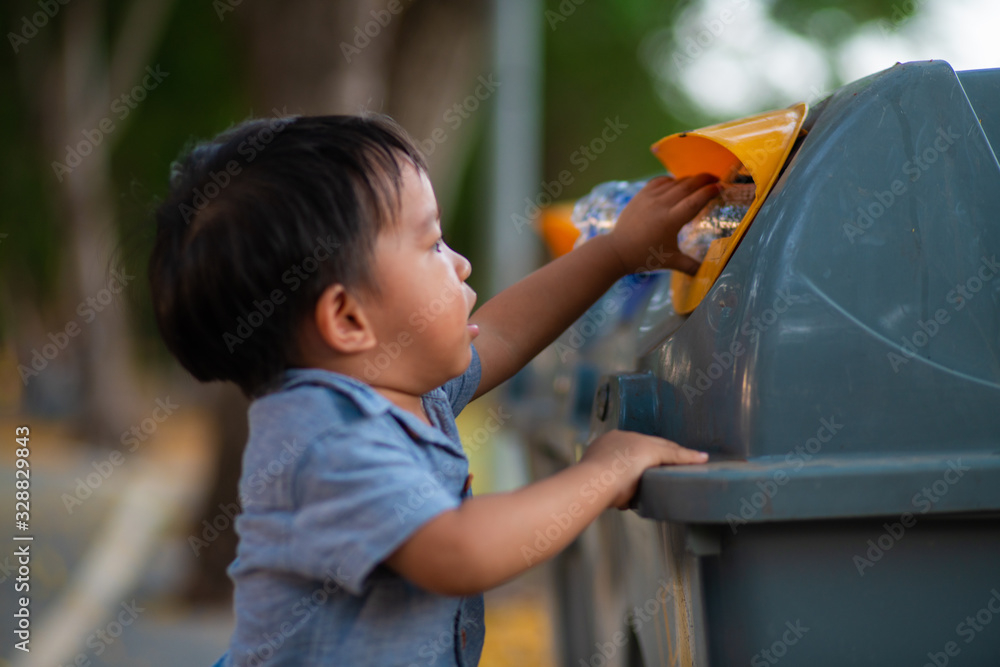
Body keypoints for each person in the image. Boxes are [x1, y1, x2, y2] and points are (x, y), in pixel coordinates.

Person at [148, 113, 718, 667]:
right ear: (347, 319)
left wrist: (617, 254)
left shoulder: (408, 392)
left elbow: (500, 333)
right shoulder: (322, 436)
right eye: (434, 245)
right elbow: (459, 551)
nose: (463, 265)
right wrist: (603, 472)